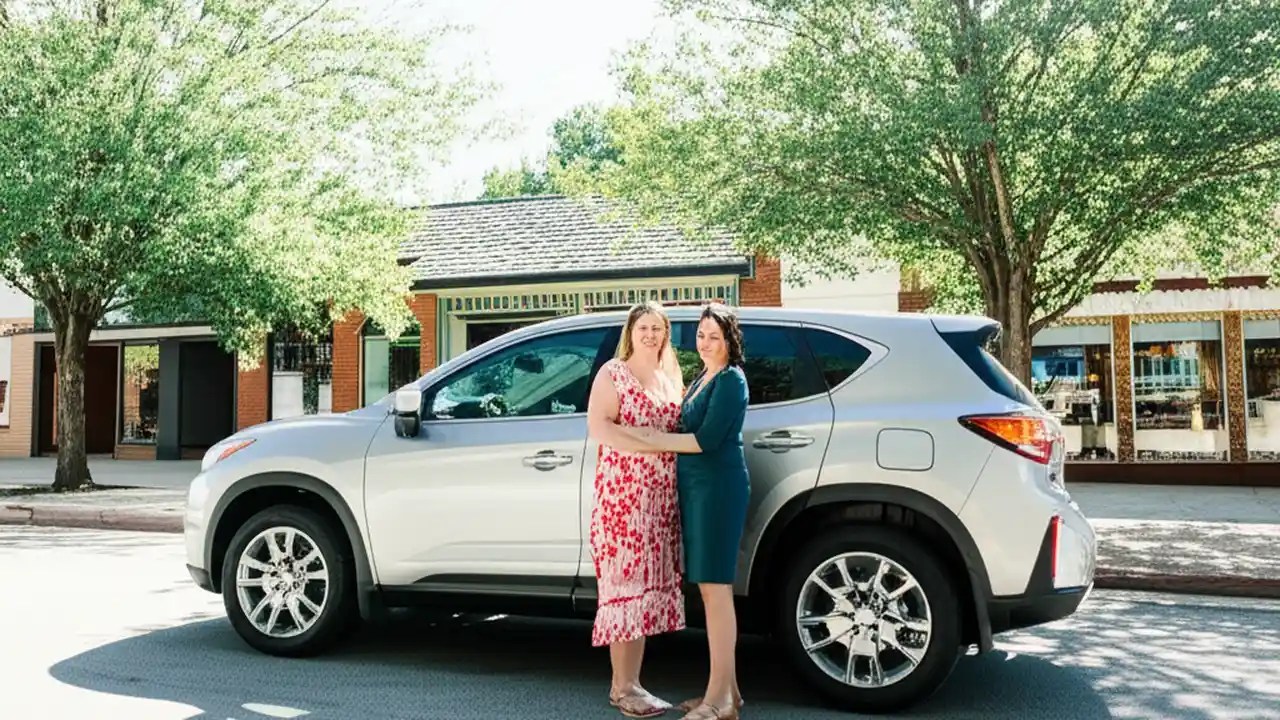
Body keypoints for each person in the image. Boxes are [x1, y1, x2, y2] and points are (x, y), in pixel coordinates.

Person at [620, 303, 750, 720]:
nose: (707, 343)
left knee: (716, 590)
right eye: (701, 335)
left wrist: (647, 438)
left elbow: (706, 439)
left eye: (715, 336)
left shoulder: (730, 380)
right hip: (695, 491)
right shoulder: (702, 376)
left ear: (730, 339)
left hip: (717, 489)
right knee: (709, 590)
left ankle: (720, 702)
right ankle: (728, 693)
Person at [586, 301, 687, 718]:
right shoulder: (614, 372)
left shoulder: (669, 378)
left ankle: (635, 684)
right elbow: (599, 427)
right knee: (624, 588)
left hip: (661, 499)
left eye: (657, 328)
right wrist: (650, 440)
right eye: (643, 327)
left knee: (644, 594)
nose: (651, 334)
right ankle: (620, 687)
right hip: (623, 498)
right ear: (631, 331)